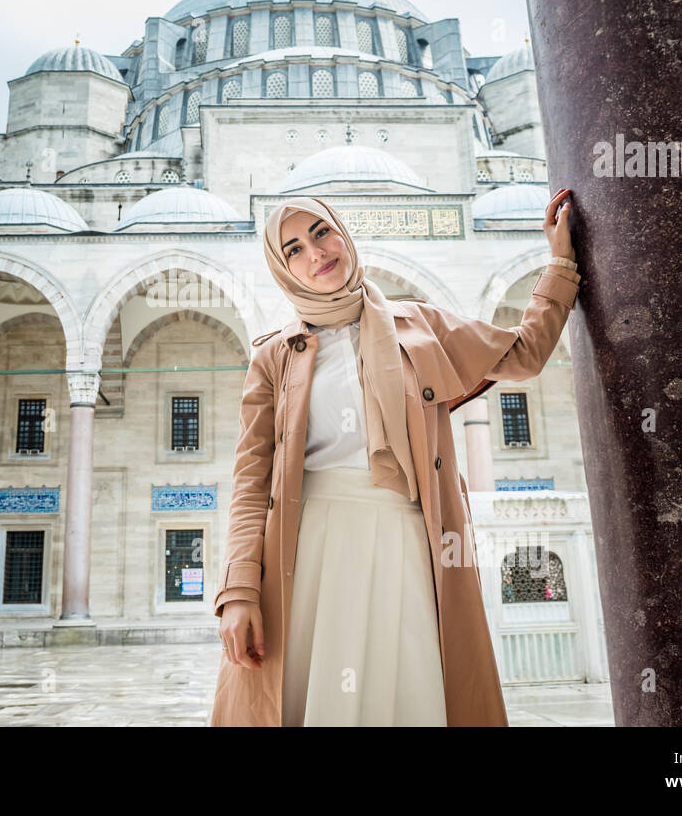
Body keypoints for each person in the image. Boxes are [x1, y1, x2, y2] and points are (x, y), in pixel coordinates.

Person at [211, 188, 578, 726]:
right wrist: (239, 590)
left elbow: (523, 353)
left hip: (405, 538)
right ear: (284, 269)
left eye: (321, 232)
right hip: (307, 547)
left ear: (343, 233)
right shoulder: (274, 356)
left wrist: (561, 263)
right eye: (293, 250)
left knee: (407, 695)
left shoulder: (420, 326)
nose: (316, 253)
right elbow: (251, 481)